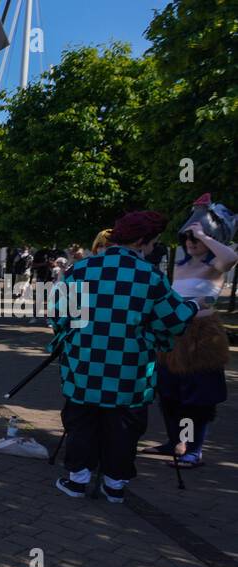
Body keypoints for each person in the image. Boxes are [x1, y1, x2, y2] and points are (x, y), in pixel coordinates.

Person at [50, 210, 199, 503]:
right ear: (142, 240)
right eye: (154, 241)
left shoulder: (82, 269)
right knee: (124, 426)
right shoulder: (150, 276)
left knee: (81, 420)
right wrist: (192, 306)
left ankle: (77, 480)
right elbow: (175, 320)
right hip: (130, 367)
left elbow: (60, 316)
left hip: (84, 363)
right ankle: (114, 485)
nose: (154, 246)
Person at [144, 196, 236, 468]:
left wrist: (202, 235)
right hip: (174, 332)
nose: (190, 243)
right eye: (186, 239)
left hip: (202, 336)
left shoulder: (215, 265)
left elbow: (231, 256)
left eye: (194, 239)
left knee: (197, 398)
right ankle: (176, 441)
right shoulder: (182, 264)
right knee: (169, 392)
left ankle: (193, 450)